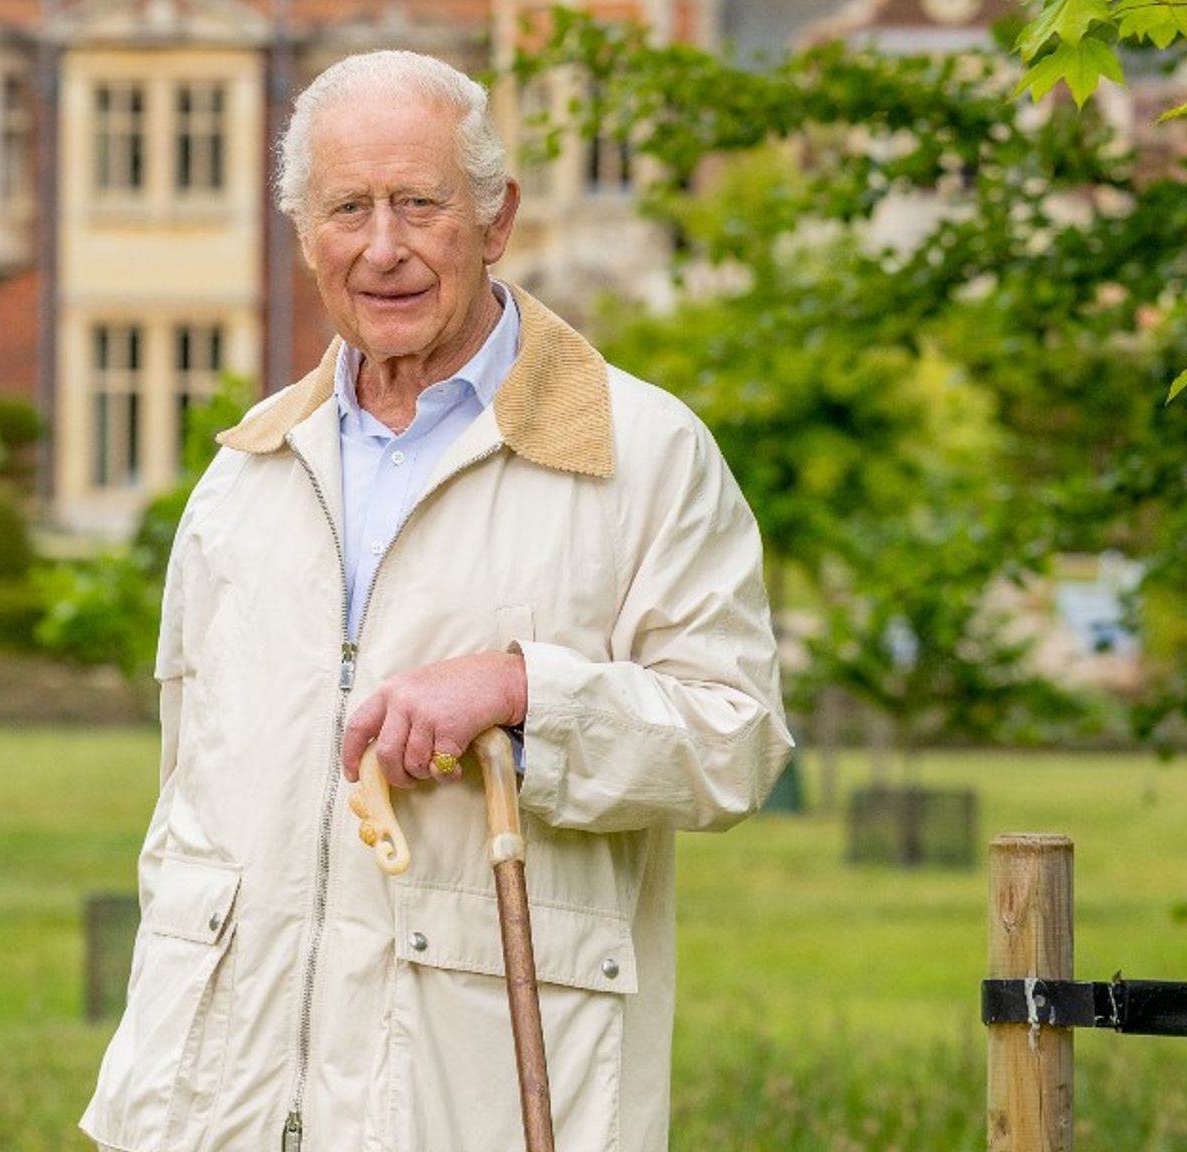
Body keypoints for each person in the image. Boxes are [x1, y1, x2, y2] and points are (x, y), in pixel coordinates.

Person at [81, 49, 792, 1152]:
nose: (381, 248)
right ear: (302, 233)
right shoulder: (248, 471)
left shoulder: (642, 452)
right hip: (217, 1109)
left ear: (495, 220)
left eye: (419, 204)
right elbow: (185, 806)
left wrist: (526, 692)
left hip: (477, 1103)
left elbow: (735, 740)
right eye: (345, 210)